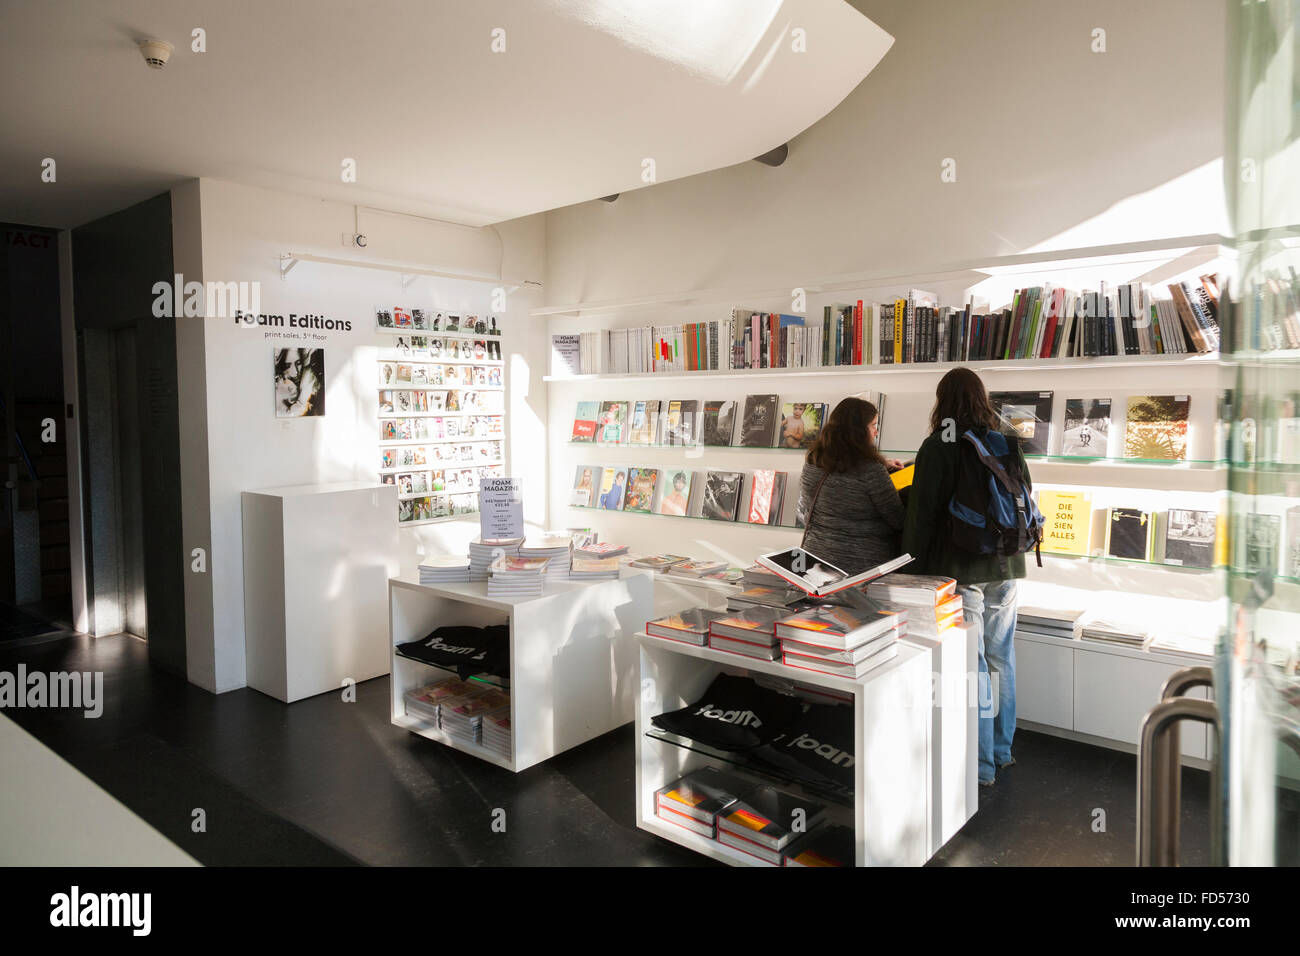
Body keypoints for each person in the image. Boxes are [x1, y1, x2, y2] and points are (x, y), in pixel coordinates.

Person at [902, 367, 1028, 787]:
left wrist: (913, 565)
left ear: (943, 400)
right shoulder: (1005, 441)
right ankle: (1002, 752)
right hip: (1008, 564)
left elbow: (922, 513)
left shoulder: (939, 445)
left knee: (971, 667)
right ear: (981, 398)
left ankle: (979, 767)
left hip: (964, 567)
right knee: (1001, 658)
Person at [797, 397, 903, 575]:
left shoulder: (813, 460)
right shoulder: (871, 470)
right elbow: (898, 520)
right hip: (861, 566)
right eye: (873, 425)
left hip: (816, 561)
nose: (876, 432)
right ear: (858, 431)